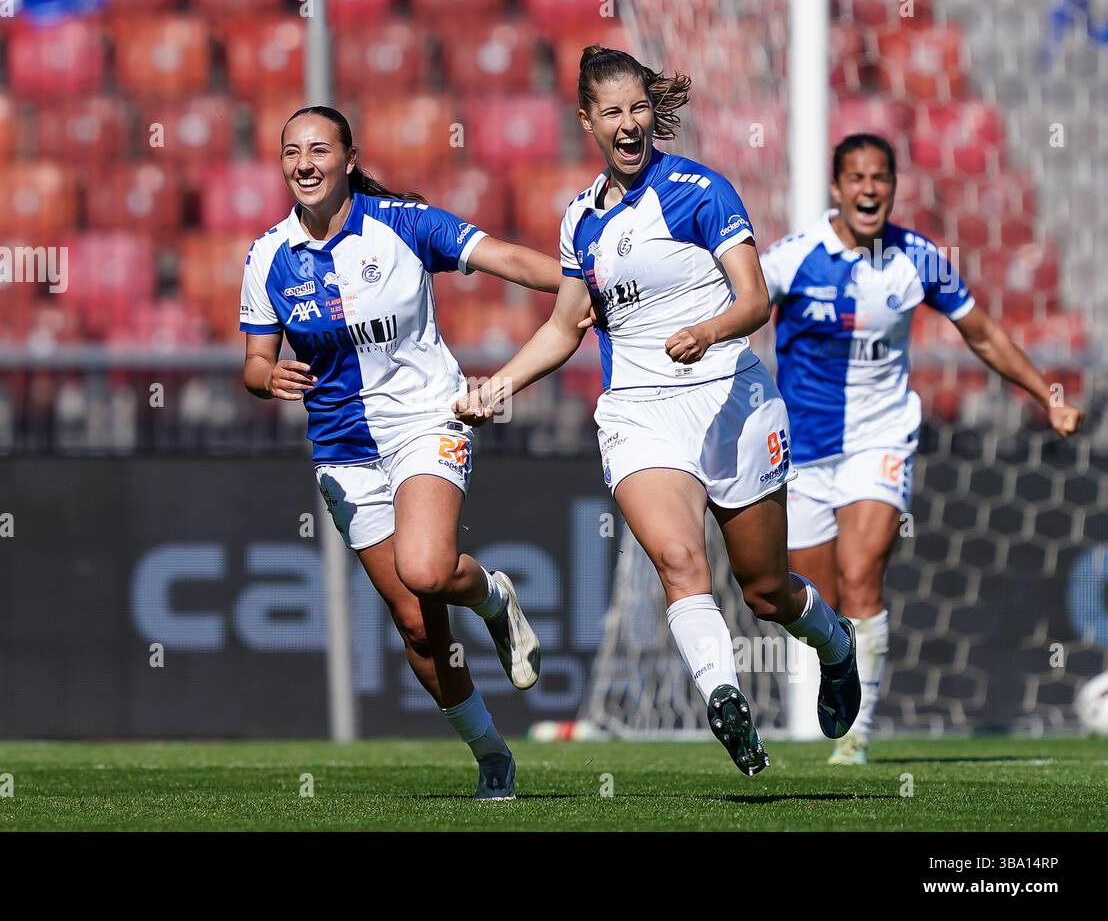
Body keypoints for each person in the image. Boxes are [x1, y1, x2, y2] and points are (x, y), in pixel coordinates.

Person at [454, 46, 861, 776]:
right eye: (612, 111)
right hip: (639, 413)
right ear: (588, 121)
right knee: (679, 562)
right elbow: (563, 325)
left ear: (653, 111)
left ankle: (836, 645)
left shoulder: (699, 191)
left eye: (639, 107)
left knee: (765, 591)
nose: (629, 123)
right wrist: (499, 386)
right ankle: (724, 701)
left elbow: (754, 300)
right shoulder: (580, 219)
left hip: (730, 399)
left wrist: (707, 332)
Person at [241, 106, 562, 798]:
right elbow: (253, 363)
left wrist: (577, 282)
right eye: (290, 151)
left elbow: (502, 256)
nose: (304, 163)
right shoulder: (266, 254)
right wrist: (269, 378)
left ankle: (492, 595)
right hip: (343, 450)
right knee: (418, 629)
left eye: (319, 149)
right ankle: (492, 757)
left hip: (426, 422)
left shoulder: (405, 225)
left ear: (349, 159)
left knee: (426, 568)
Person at [760, 133, 1085, 764]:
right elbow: (739, 304)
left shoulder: (920, 258)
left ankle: (856, 737)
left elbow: (984, 334)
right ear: (836, 187)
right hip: (802, 452)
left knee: (862, 576)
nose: (869, 189)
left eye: (880, 177)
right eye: (856, 178)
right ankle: (838, 657)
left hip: (880, 439)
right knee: (797, 598)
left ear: (894, 187)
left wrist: (1045, 398)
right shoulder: (794, 258)